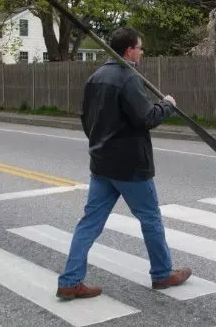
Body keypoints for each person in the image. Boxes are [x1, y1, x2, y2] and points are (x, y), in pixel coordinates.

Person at [56, 27, 192, 300]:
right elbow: (146, 118)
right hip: (130, 166)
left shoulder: (95, 77)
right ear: (129, 50)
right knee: (150, 219)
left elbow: (86, 119)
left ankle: (70, 280)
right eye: (140, 48)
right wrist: (166, 105)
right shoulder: (129, 78)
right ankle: (163, 273)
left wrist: (99, 145)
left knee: (89, 223)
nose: (142, 52)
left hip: (102, 164)